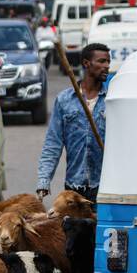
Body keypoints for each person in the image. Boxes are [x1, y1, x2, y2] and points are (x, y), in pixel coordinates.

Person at [37, 43, 110, 203]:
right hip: (74, 187)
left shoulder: (111, 100)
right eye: (102, 61)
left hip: (104, 187)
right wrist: (44, 180)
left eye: (108, 62)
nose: (107, 66)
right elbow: (53, 143)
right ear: (86, 64)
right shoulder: (65, 100)